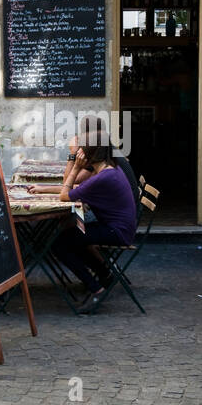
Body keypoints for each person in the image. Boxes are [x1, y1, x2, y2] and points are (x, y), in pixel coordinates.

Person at [53, 116, 138, 313]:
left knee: (59, 244)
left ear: (88, 154)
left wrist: (74, 164)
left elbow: (65, 195)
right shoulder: (108, 170)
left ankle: (96, 289)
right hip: (120, 227)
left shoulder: (102, 178)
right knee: (70, 234)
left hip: (117, 232)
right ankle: (103, 274)